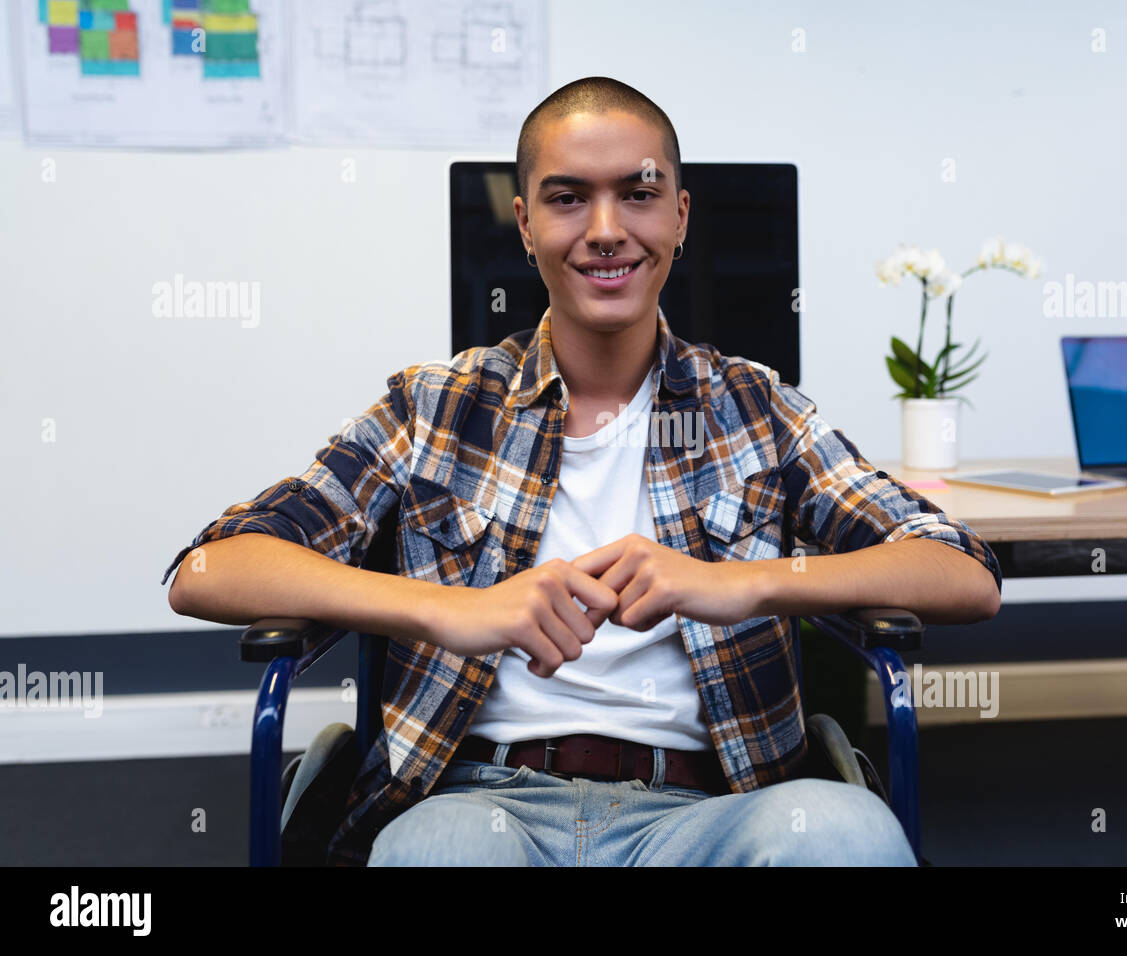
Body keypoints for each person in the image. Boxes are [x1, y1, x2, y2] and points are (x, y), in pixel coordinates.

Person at [163, 76, 1003, 867]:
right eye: (569, 198)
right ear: (526, 225)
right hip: (479, 802)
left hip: (709, 808)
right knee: (438, 854)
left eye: (637, 194)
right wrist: (453, 611)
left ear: (679, 216)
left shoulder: (757, 406)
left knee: (848, 835)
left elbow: (962, 572)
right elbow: (209, 570)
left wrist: (747, 586)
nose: (606, 228)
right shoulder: (435, 405)